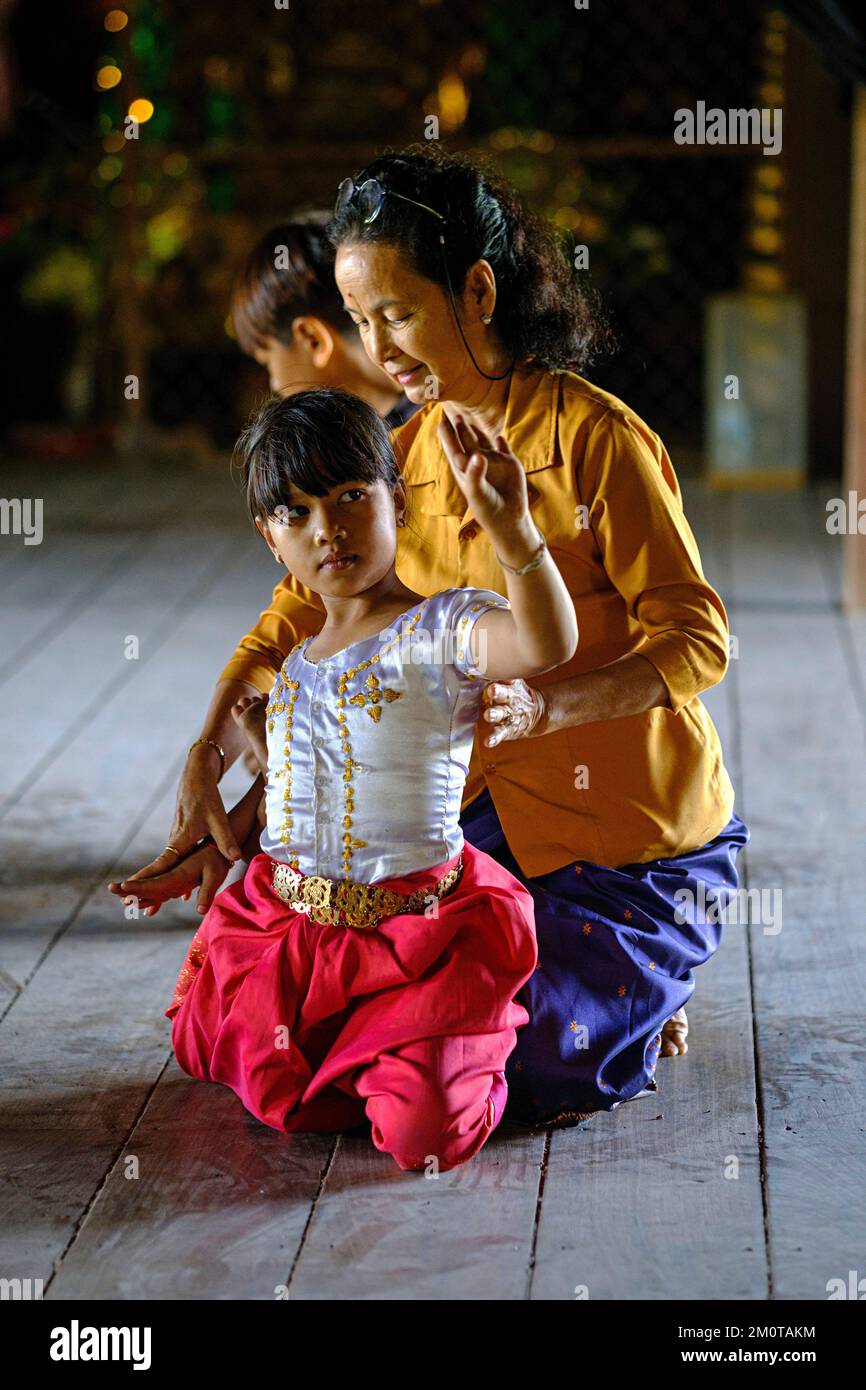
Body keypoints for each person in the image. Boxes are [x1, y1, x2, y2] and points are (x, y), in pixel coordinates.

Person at [113, 144, 749, 1128]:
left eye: (396, 314)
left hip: (623, 839)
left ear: (478, 289)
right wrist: (211, 756)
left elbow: (698, 639)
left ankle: (655, 973)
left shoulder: (594, 440)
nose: (377, 347)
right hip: (476, 827)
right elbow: (302, 610)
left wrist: (555, 704)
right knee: (294, 1034)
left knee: (528, 1060)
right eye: (360, 321)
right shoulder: (402, 450)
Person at [117, 386, 577, 1171]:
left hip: (418, 939)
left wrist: (516, 533)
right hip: (295, 932)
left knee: (422, 1138)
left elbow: (544, 642)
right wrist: (220, 845)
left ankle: (454, 1050)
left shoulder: (441, 629)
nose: (326, 527)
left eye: (350, 496)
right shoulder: (296, 667)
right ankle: (368, 1057)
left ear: (397, 501)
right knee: (210, 1047)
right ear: (271, 539)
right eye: (295, 512)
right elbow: (296, 794)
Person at [232, 211, 417, 429]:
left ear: (313, 339)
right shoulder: (444, 402)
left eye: (268, 364)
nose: (276, 386)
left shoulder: (408, 450)